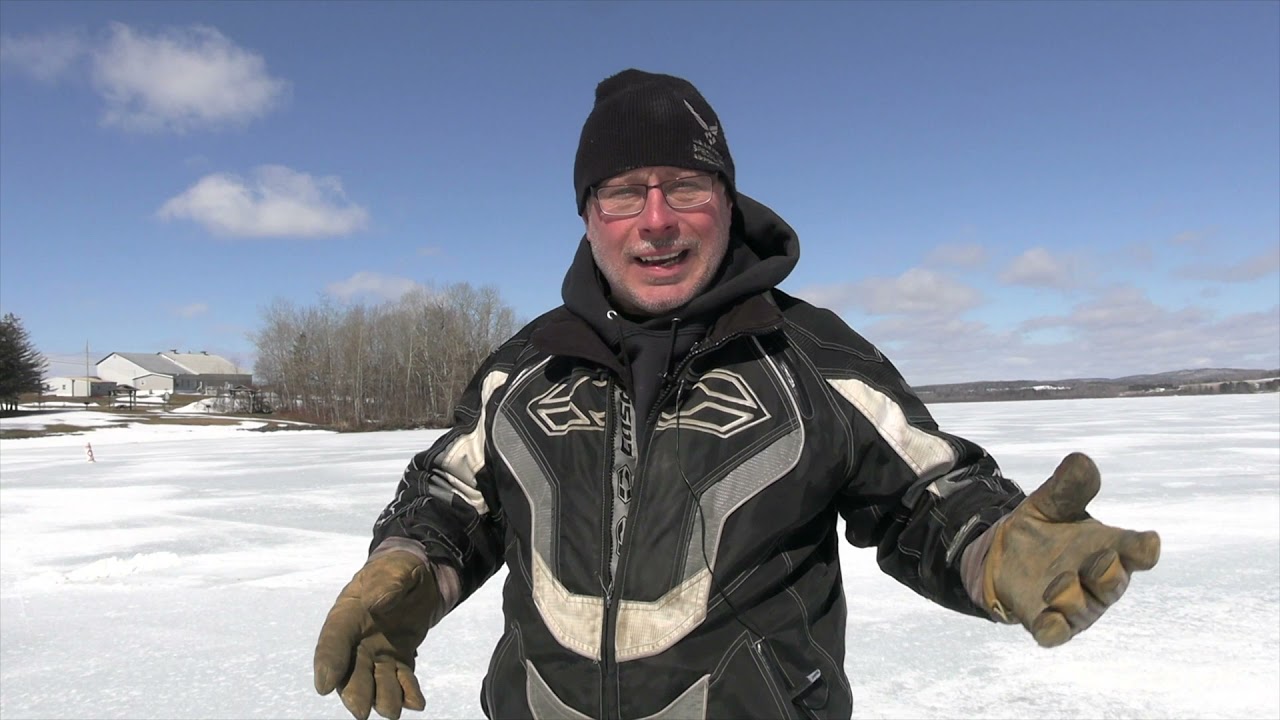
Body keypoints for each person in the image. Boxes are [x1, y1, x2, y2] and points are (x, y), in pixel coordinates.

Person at [313, 69, 1161, 720]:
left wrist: (996, 544)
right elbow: (453, 496)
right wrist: (407, 564)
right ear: (587, 214)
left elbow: (928, 495)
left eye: (685, 187)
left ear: (726, 201)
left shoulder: (812, 356)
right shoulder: (523, 367)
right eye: (622, 192)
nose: (656, 220)